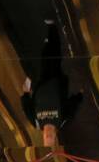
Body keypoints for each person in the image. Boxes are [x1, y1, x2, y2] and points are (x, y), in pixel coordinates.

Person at [20, 19, 83, 148]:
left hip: (41, 82)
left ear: (43, 136)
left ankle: (50, 38)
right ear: (55, 136)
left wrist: (26, 93)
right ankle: (53, 29)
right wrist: (80, 95)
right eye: (51, 137)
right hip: (56, 81)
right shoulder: (61, 121)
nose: (48, 135)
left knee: (45, 58)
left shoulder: (36, 122)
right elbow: (72, 108)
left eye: (46, 137)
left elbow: (27, 107)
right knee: (53, 57)